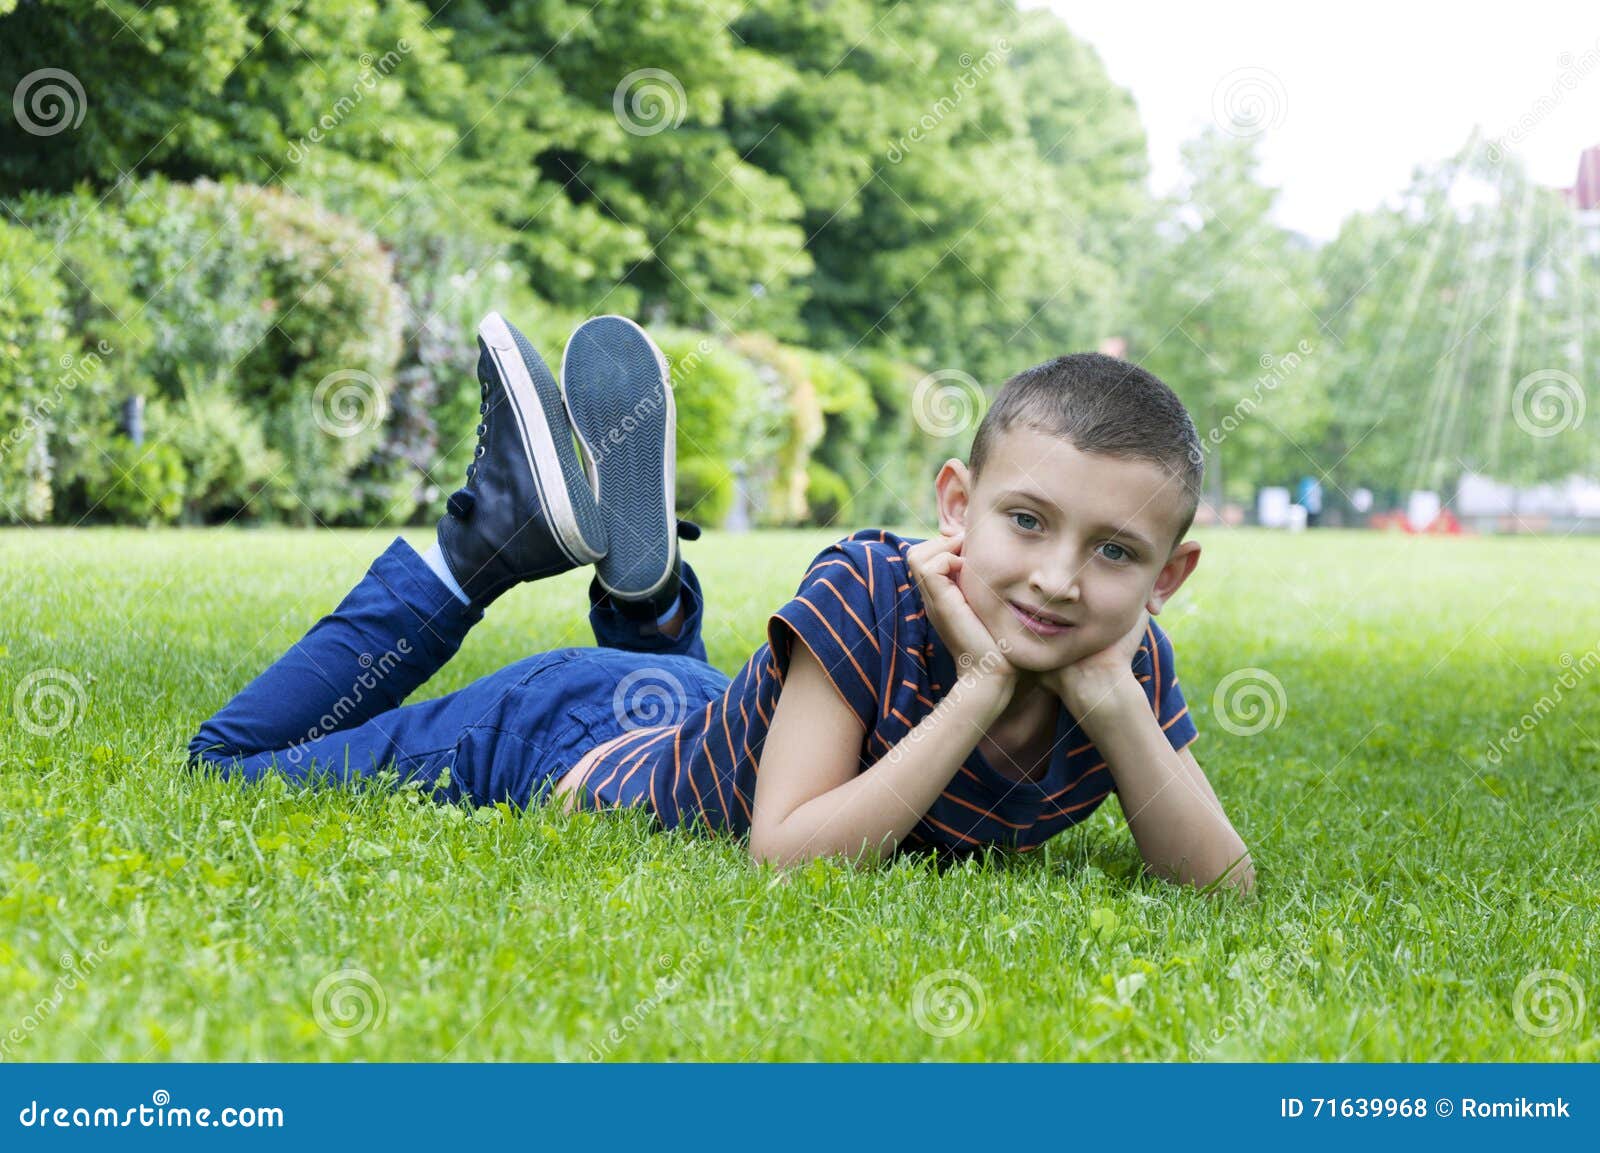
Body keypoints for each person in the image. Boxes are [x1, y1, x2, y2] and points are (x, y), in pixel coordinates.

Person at [188, 315, 1253, 893]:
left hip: (697, 716)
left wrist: (1114, 707)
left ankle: (644, 600)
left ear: (1168, 577)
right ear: (957, 506)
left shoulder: (1119, 658)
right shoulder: (873, 594)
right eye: (1027, 522)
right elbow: (783, 854)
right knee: (225, 769)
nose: (1060, 579)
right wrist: (974, 690)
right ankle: (478, 549)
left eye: (1114, 552)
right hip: (556, 738)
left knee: (707, 730)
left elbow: (1223, 886)